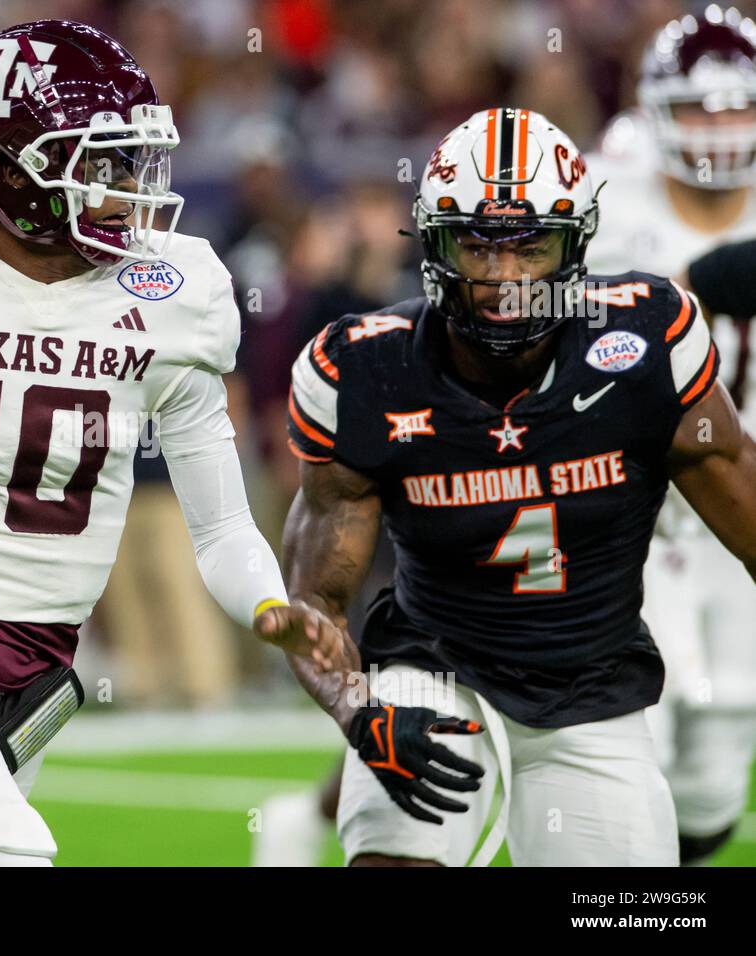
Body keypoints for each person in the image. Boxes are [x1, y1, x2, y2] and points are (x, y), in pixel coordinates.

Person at [0, 19, 483, 867]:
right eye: (101, 163)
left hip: (31, 681)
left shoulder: (171, 299)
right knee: (5, 854)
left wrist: (269, 610)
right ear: (4, 167)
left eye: (133, 160)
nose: (131, 186)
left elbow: (218, 528)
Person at [284, 106, 756, 866]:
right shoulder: (364, 372)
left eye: (531, 247)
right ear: (435, 245)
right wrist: (356, 706)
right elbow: (316, 604)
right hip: (432, 669)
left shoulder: (646, 347)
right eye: (478, 246)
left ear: (575, 247)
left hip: (592, 685)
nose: (506, 280)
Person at [585, 6, 756, 864]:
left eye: (738, 108)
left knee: (714, 784)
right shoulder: (604, 195)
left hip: (743, 517)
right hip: (631, 513)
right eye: (700, 107)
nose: (722, 130)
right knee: (622, 755)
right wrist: (692, 280)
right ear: (655, 110)